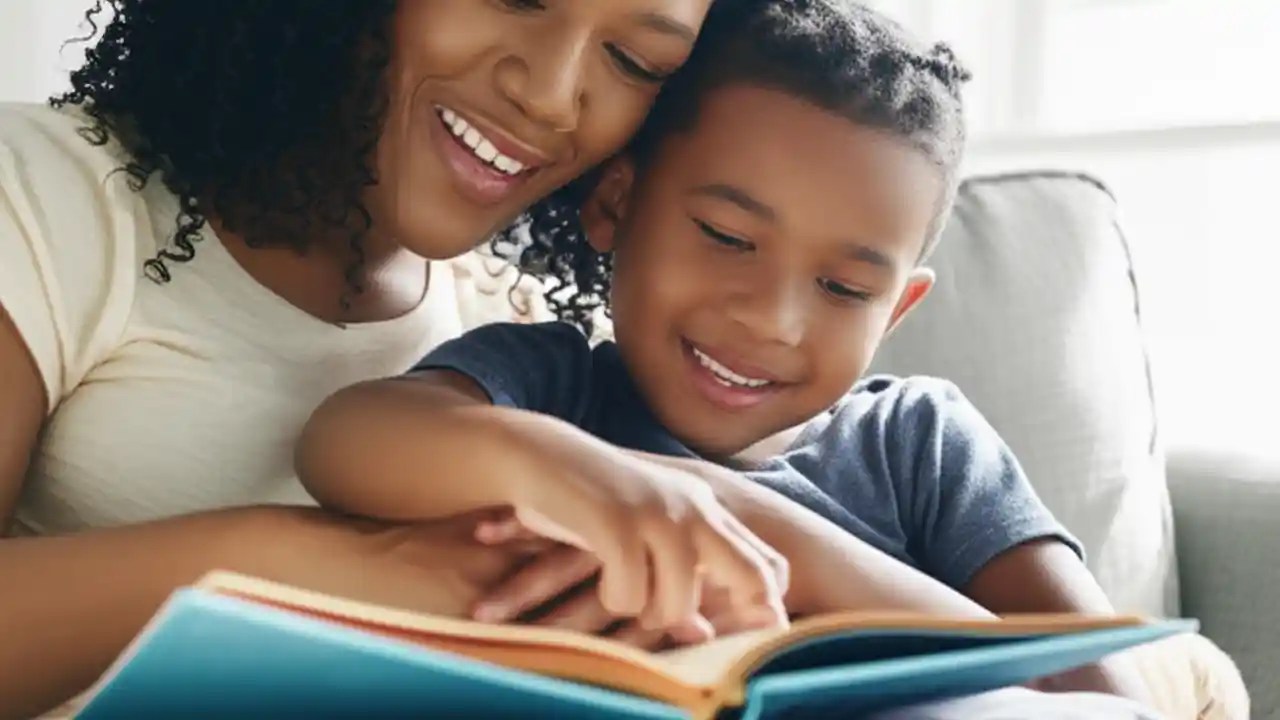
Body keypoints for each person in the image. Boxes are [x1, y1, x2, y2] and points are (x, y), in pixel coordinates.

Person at [297, 0, 1156, 705]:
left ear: (896, 312)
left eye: (844, 289)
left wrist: (763, 534)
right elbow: (346, 440)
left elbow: (1106, 694)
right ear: (616, 205)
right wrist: (589, 479)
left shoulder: (924, 448)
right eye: (726, 237)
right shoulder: (553, 387)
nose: (773, 321)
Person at [0, 1, 727, 717]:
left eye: (634, 61)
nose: (550, 97)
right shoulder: (45, 196)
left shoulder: (512, 341)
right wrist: (326, 566)